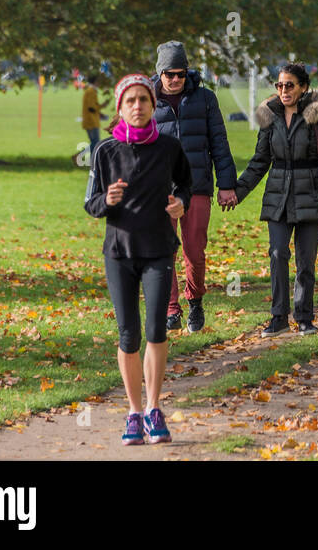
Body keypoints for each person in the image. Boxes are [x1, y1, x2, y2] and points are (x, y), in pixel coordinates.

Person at [84, 73, 191, 446]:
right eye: (130, 101)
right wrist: (107, 201)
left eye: (143, 100)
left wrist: (181, 204)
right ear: (120, 108)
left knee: (156, 330)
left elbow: (185, 186)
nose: (138, 106)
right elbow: (91, 202)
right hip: (119, 254)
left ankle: (154, 408)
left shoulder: (169, 147)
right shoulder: (105, 152)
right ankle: (132, 412)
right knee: (128, 335)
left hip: (159, 249)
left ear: (153, 104)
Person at [235, 63, 318, 336]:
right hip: (278, 197)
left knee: (305, 261)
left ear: (303, 87)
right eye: (279, 85)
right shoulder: (270, 118)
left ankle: (304, 317)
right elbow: (260, 161)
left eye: (289, 85)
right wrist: (237, 192)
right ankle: (278, 316)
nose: (283, 90)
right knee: (277, 254)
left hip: (312, 196)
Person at [150, 41, 238, 334]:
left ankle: (195, 300)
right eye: (169, 74)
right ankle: (171, 309)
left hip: (197, 186)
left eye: (181, 73)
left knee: (194, 250)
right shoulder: (147, 101)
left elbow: (220, 144)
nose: (175, 79)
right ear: (159, 73)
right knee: (164, 250)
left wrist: (226, 185)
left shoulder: (205, 99)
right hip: (160, 190)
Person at [81, 74, 107, 155]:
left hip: (91, 119)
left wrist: (100, 113)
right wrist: (102, 106)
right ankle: (81, 156)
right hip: (91, 121)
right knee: (96, 142)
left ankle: (87, 158)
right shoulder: (91, 91)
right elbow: (91, 108)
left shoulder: (90, 90)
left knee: (94, 142)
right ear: (95, 81)